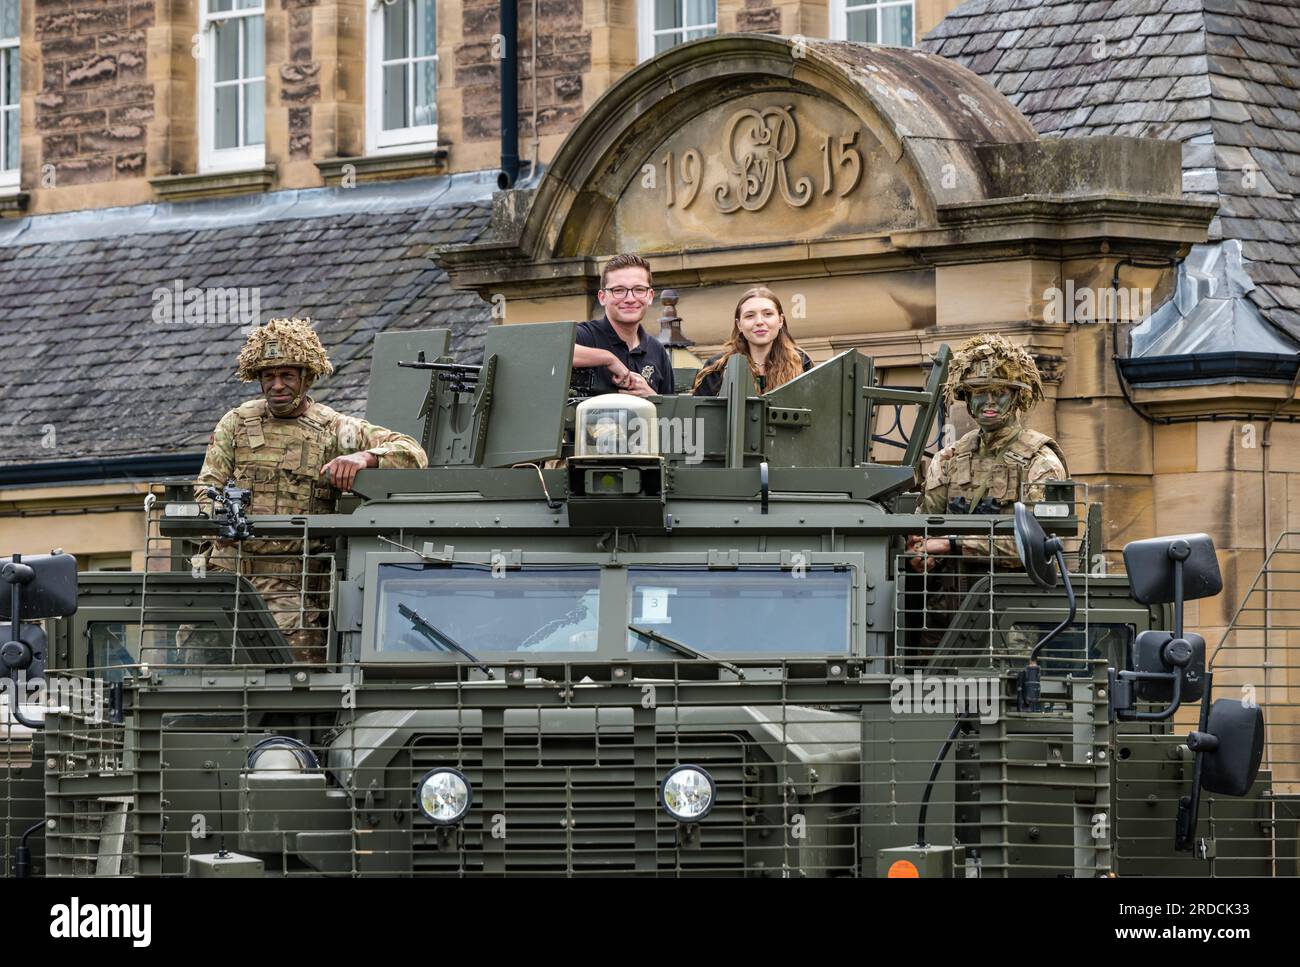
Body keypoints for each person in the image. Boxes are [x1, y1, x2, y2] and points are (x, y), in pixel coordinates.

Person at [190, 317, 429, 663]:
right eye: (268, 377)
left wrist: (364, 458)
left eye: (287, 375)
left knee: (296, 670)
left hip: (290, 581)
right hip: (228, 573)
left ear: (307, 377)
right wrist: (217, 520)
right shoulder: (237, 422)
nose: (276, 386)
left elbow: (413, 453)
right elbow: (207, 486)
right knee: (193, 658)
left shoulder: (335, 429)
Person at [909, 332, 1068, 572]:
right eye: (981, 393)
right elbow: (924, 529)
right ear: (969, 399)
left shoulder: (1040, 461)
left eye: (1000, 393)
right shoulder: (949, 459)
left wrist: (953, 544)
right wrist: (919, 552)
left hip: (1013, 598)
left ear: (1016, 398)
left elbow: (1042, 545)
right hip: (950, 601)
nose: (990, 402)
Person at [572, 253, 675, 397]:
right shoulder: (585, 336)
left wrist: (652, 399)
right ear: (602, 297)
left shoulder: (657, 351)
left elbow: (672, 417)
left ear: (650, 296)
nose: (630, 299)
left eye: (639, 290)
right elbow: (543, 349)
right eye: (618, 290)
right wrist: (608, 359)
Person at [691, 286, 813, 396]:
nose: (759, 321)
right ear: (739, 324)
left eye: (768, 314)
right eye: (750, 316)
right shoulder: (717, 369)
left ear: (780, 320)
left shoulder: (801, 362)